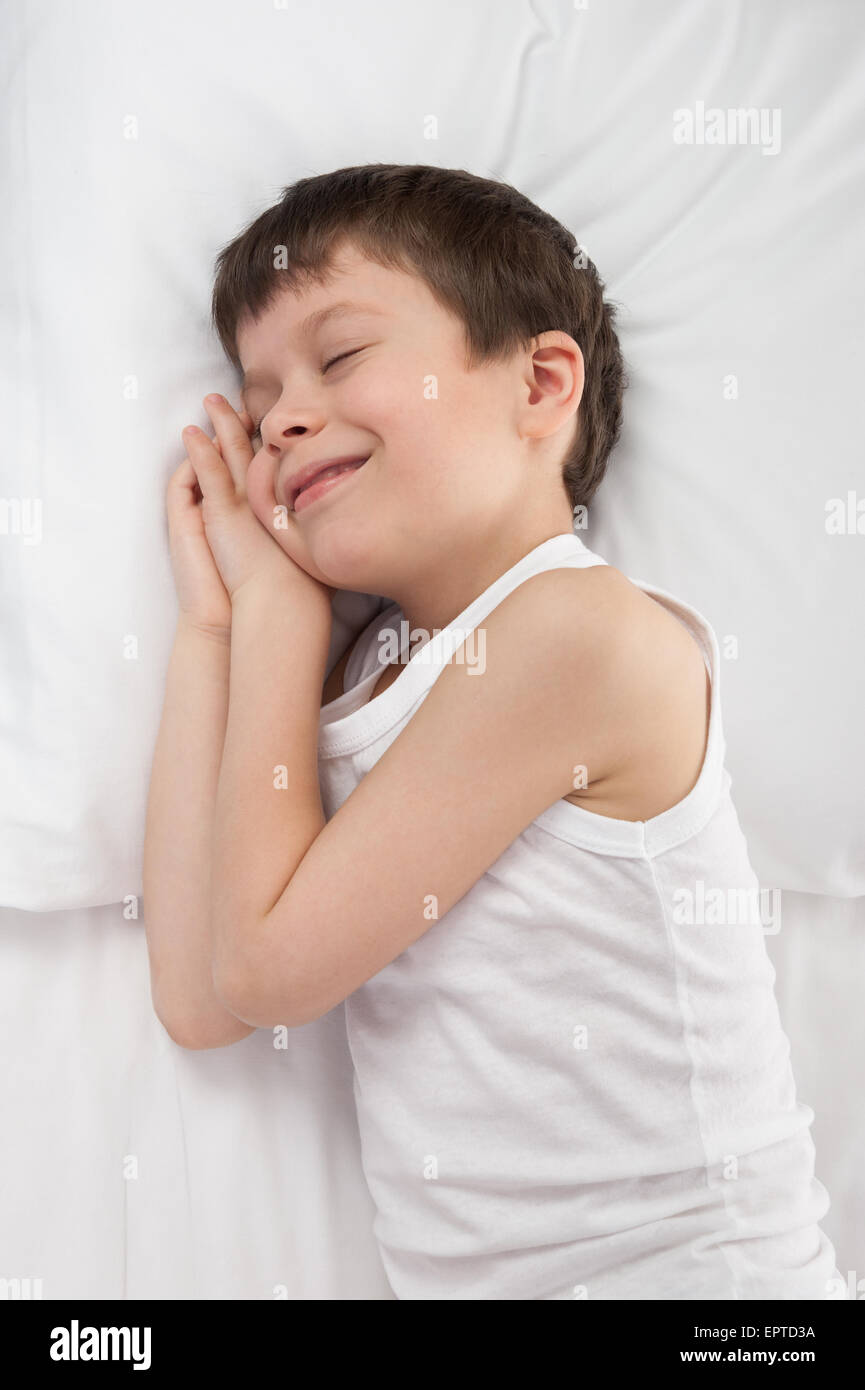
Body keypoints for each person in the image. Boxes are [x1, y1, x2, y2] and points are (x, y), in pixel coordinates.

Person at [143, 163, 843, 1300]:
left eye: (341, 355)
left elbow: (266, 970)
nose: (281, 421)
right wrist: (213, 628)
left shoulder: (575, 632)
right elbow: (203, 994)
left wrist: (276, 617)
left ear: (540, 383)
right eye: (259, 401)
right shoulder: (368, 675)